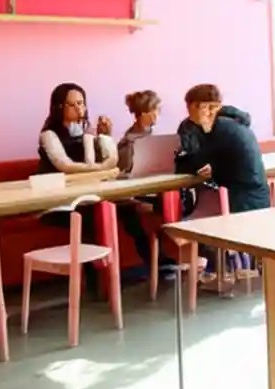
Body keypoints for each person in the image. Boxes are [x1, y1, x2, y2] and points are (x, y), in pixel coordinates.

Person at [174, 84, 269, 280]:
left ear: (202, 108)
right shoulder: (232, 123)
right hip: (256, 197)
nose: (189, 115)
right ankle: (221, 264)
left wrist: (183, 160)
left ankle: (219, 264)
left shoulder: (221, 130)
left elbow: (192, 162)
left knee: (181, 224)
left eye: (191, 108)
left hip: (243, 202)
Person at [38, 83, 119, 289]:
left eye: (81, 103)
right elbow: (65, 166)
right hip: (58, 201)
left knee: (124, 210)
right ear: (59, 107)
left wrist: (104, 137)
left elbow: (111, 161)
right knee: (88, 217)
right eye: (71, 104)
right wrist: (98, 168)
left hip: (86, 194)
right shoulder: (49, 135)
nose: (78, 109)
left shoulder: (86, 133)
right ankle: (95, 280)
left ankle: (158, 265)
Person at [116, 90, 178, 275]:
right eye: (156, 110)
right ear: (144, 113)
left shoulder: (154, 138)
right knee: (134, 215)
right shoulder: (129, 144)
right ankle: (159, 261)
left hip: (155, 191)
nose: (158, 114)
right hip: (135, 195)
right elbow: (125, 174)